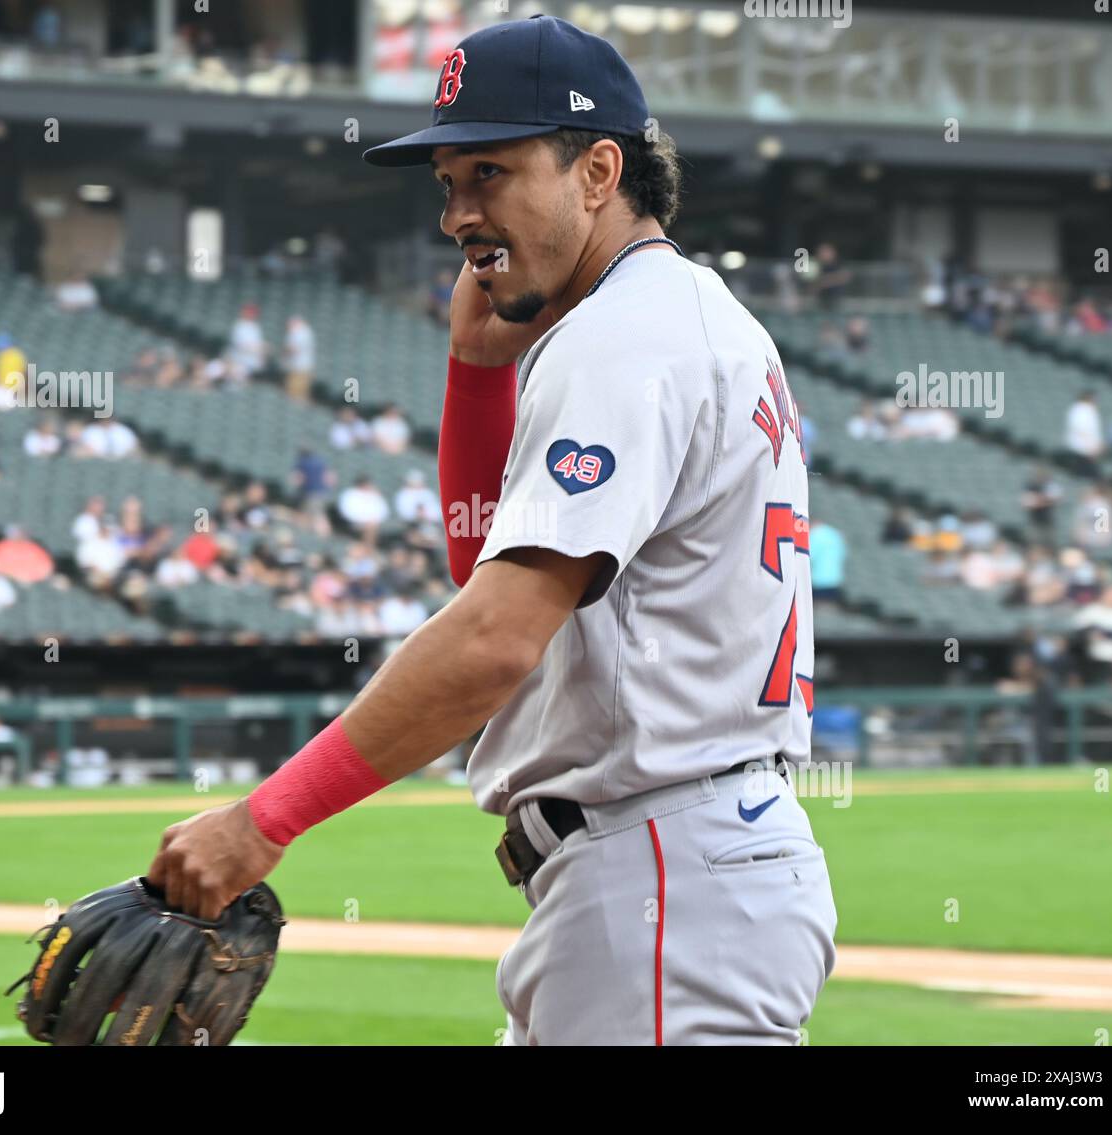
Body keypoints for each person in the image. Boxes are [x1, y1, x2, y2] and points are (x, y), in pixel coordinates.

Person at [145, 15, 835, 1047]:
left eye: (490, 173)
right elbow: (500, 606)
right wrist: (475, 376)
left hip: (662, 877)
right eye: (447, 183)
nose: (459, 213)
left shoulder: (625, 332)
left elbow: (494, 642)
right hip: (666, 873)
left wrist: (261, 821)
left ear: (598, 171)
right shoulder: (678, 316)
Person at [1064, 391, 1104, 474]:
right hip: (1082, 450)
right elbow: (1082, 430)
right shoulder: (1081, 410)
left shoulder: (1087, 410)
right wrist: (1091, 447)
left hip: (1087, 450)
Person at [283, 314, 316, 402]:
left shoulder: (301, 332)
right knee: (295, 395)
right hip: (299, 368)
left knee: (296, 395)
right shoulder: (302, 332)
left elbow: (293, 349)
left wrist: (285, 352)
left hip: (300, 369)